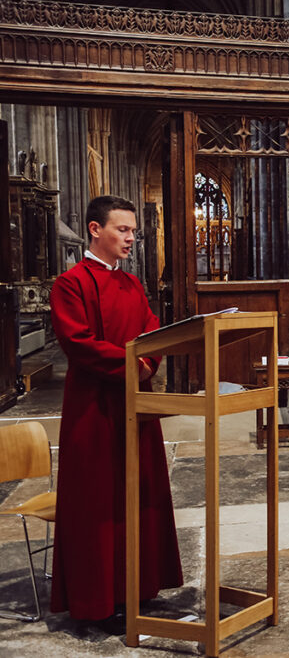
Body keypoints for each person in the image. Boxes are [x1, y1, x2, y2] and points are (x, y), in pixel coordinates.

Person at [49, 195, 182, 621]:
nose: (130, 238)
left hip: (136, 402)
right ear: (95, 229)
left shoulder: (132, 284)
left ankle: (139, 587)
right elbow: (78, 342)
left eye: (133, 231)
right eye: (122, 229)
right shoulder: (70, 283)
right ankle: (98, 601)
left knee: (140, 493)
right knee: (99, 501)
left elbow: (151, 329)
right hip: (93, 408)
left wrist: (148, 363)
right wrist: (133, 366)